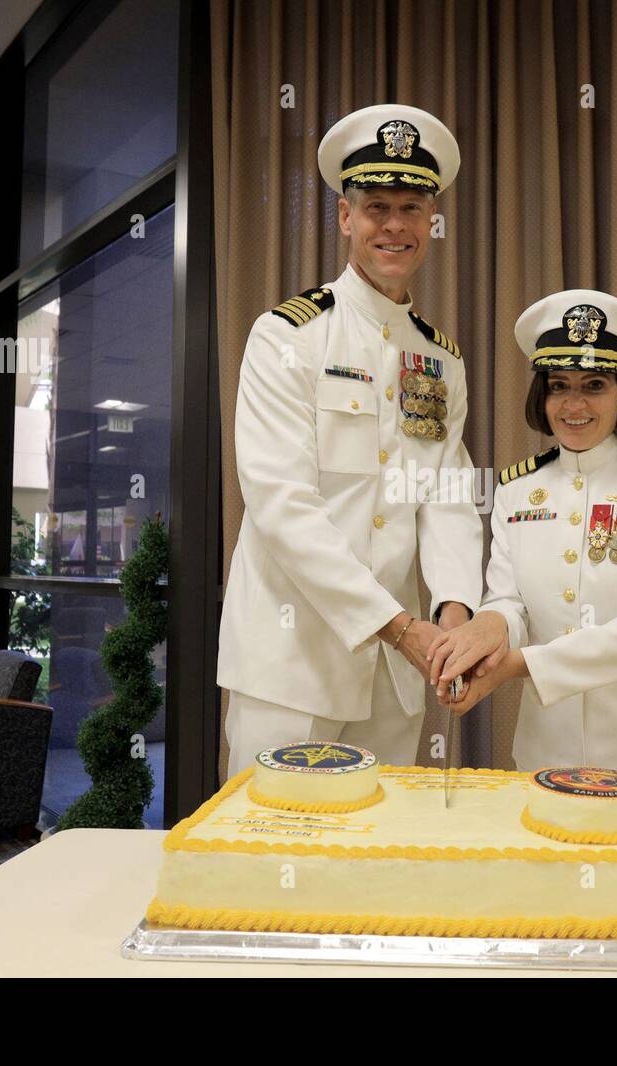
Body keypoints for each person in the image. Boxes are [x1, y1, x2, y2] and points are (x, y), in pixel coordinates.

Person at [218, 104, 483, 778]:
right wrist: (401, 627)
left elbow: (448, 495)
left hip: (395, 676)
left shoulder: (441, 360)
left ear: (432, 222)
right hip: (292, 659)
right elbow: (282, 506)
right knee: (270, 853)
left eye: (413, 208)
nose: (395, 225)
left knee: (380, 858)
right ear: (345, 217)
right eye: (377, 207)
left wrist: (454, 611)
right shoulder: (289, 336)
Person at [426, 290, 617, 822]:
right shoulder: (517, 490)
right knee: (553, 903)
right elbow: (510, 601)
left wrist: (516, 665)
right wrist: (482, 629)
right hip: (548, 756)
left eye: (593, 386)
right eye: (559, 387)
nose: (573, 405)